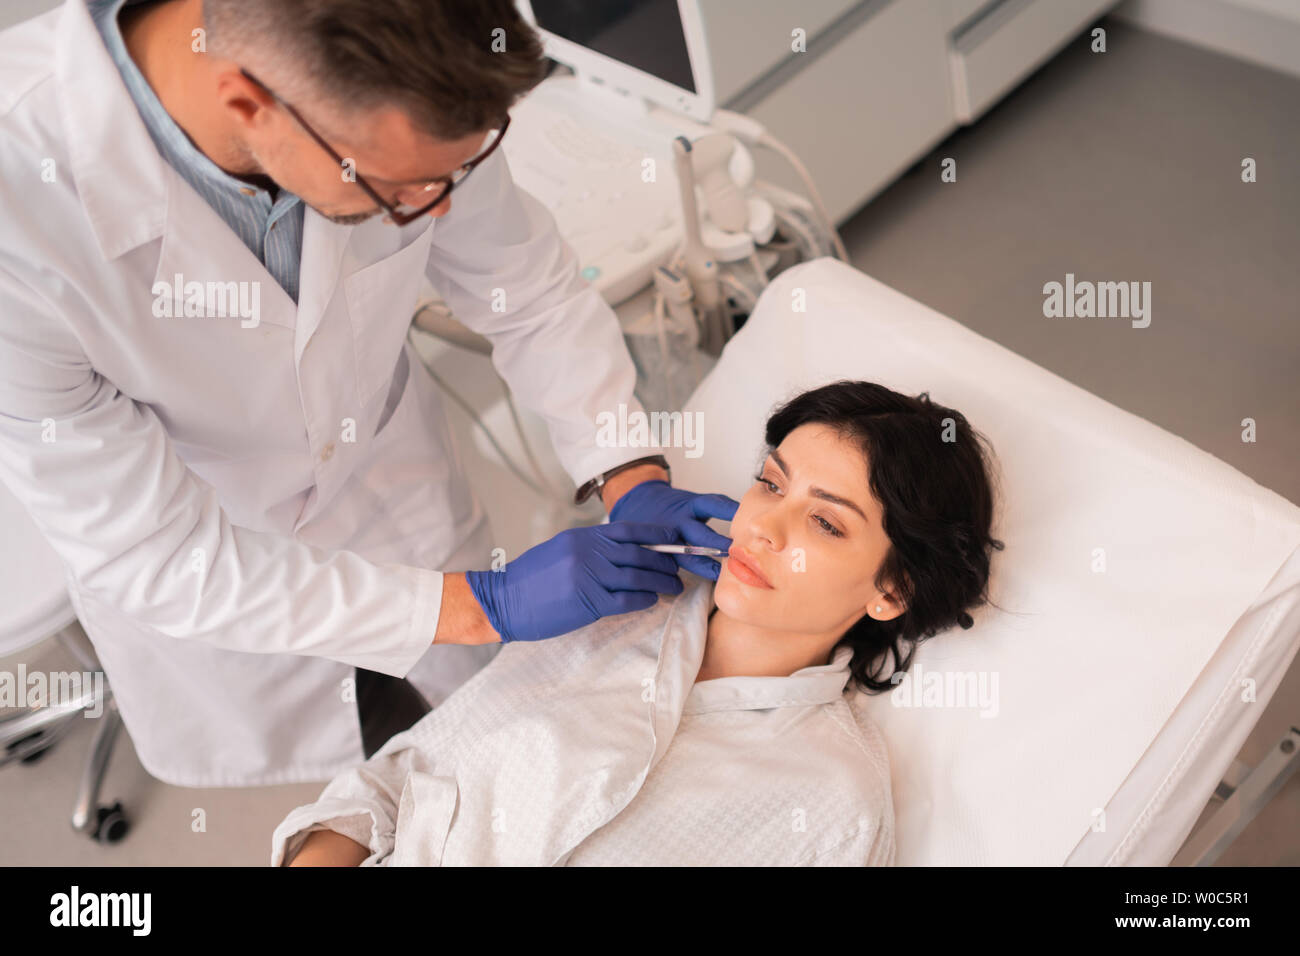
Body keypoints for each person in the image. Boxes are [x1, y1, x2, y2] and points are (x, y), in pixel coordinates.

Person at [0, 0, 735, 788]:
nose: (440, 207)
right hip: (216, 572)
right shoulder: (22, 213)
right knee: (378, 792)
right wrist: (484, 603)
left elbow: (523, 285)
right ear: (249, 103)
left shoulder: (396, 96)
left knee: (486, 736)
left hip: (396, 490)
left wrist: (625, 465)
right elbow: (159, 555)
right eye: (403, 190)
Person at [272, 381, 1004, 866]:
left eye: (824, 521)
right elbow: (390, 786)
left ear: (892, 591)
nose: (764, 526)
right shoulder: (601, 619)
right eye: (771, 482)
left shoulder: (831, 798)